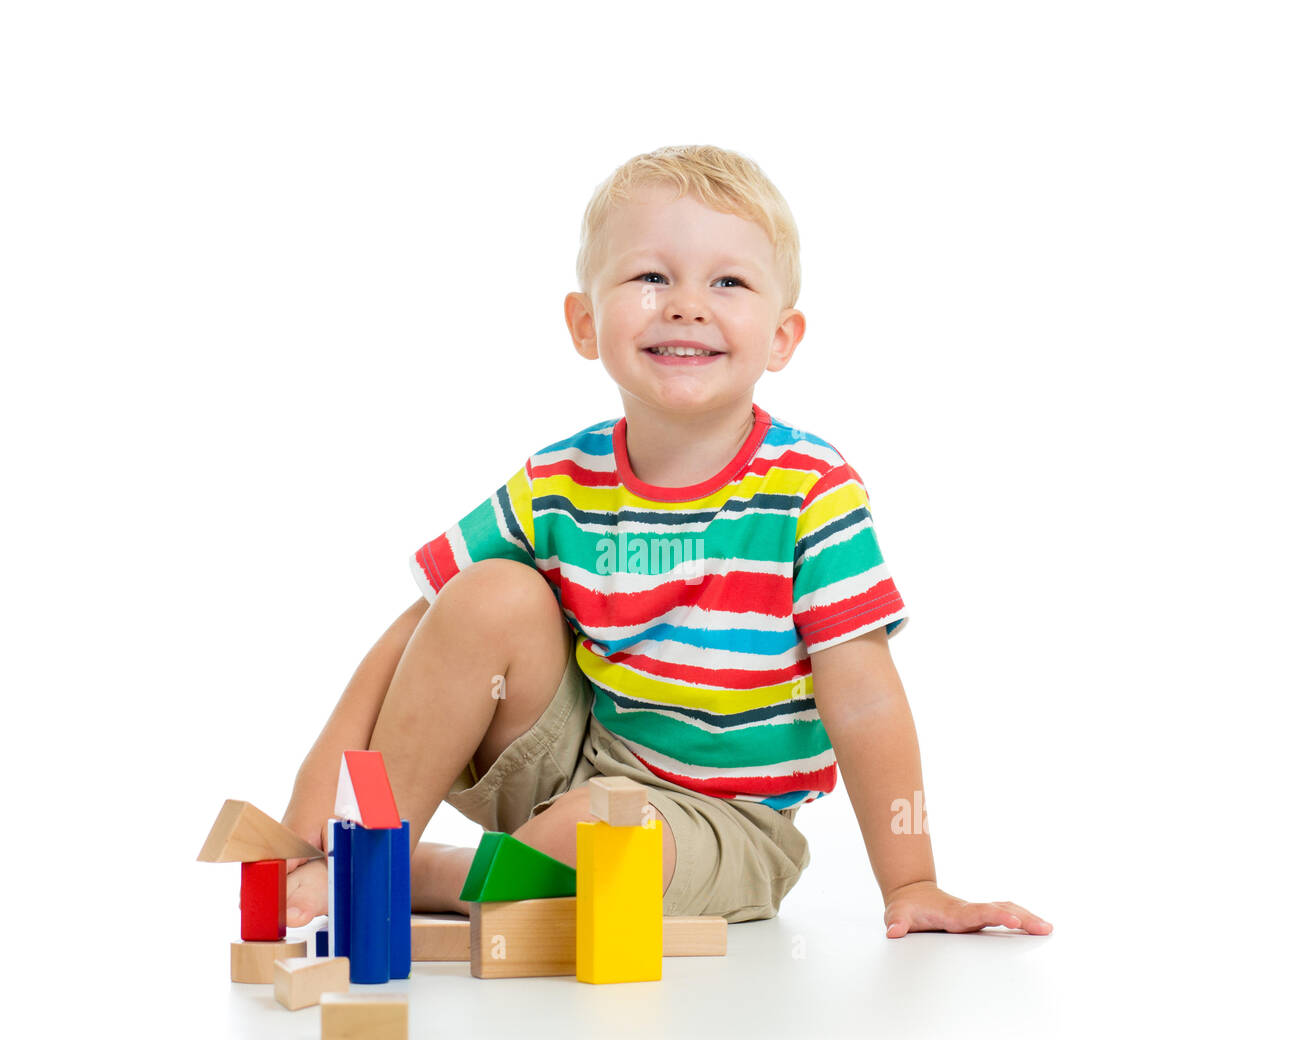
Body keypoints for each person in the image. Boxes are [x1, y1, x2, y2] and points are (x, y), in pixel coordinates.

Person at [278, 144, 1051, 938]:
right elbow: (422, 633)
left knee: (604, 839)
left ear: (782, 338)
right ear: (585, 322)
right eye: (651, 277)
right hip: (573, 761)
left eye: (729, 282)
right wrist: (313, 810)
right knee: (482, 594)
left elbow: (863, 697)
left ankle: (446, 878)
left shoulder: (811, 491)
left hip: (722, 824)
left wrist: (913, 880)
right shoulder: (557, 481)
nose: (685, 304)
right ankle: (368, 856)